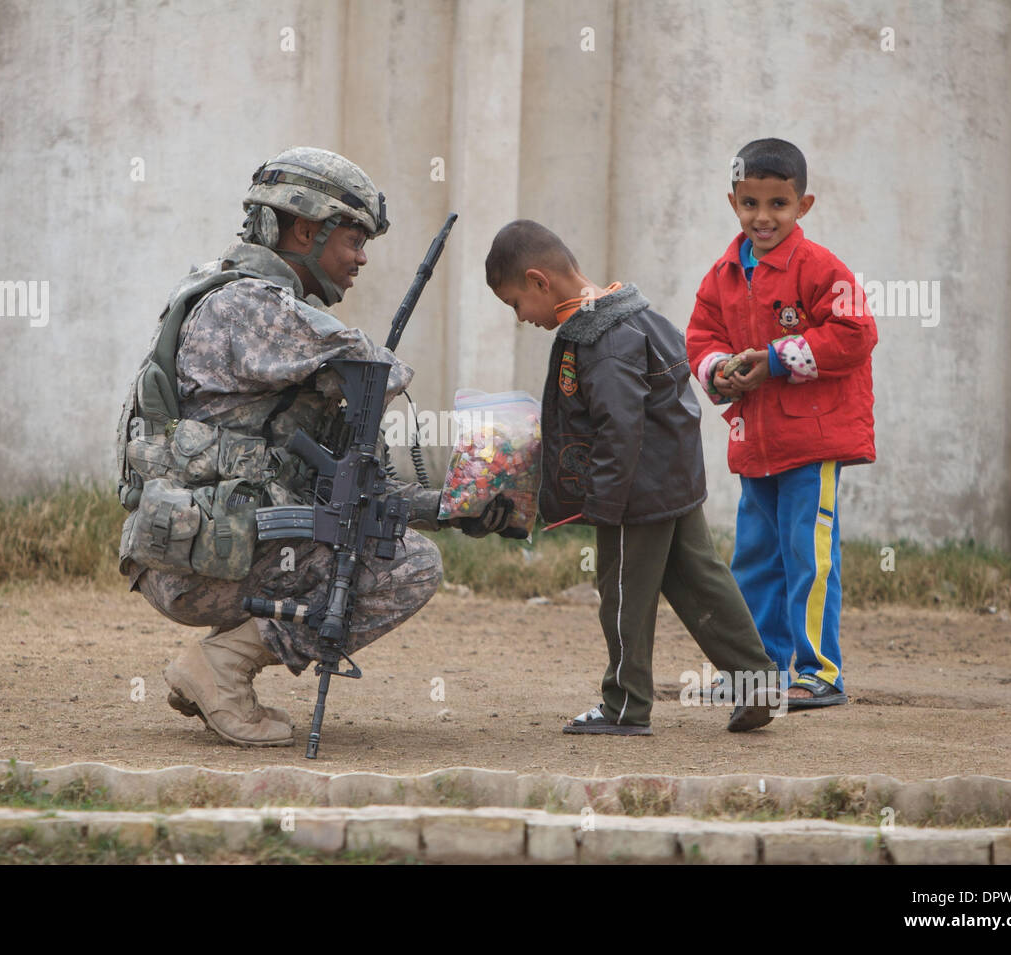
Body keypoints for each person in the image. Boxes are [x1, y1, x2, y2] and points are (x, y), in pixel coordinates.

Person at [118, 147, 512, 747]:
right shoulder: (248, 307)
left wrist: (452, 507)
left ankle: (214, 667)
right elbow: (377, 368)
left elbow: (351, 492)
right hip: (200, 561)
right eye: (353, 240)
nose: (359, 260)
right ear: (305, 229)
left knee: (380, 534)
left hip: (201, 549)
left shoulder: (235, 303)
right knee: (408, 565)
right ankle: (221, 668)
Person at [485, 219, 780, 735]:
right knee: (702, 582)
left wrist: (604, 502)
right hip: (673, 482)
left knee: (623, 594)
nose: (520, 318)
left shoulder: (602, 340)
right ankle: (757, 685)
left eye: (515, 304)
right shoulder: (635, 316)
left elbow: (619, 427)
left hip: (633, 494)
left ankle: (625, 706)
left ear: (539, 282)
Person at [686, 137, 877, 710]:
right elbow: (700, 338)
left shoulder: (821, 268)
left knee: (808, 556)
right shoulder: (722, 274)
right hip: (755, 445)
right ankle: (756, 669)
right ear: (733, 202)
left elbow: (855, 334)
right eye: (750, 204)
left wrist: (770, 360)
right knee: (755, 557)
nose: (762, 217)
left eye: (778, 205)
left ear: (804, 206)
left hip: (810, 443)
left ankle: (819, 671)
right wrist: (720, 370)